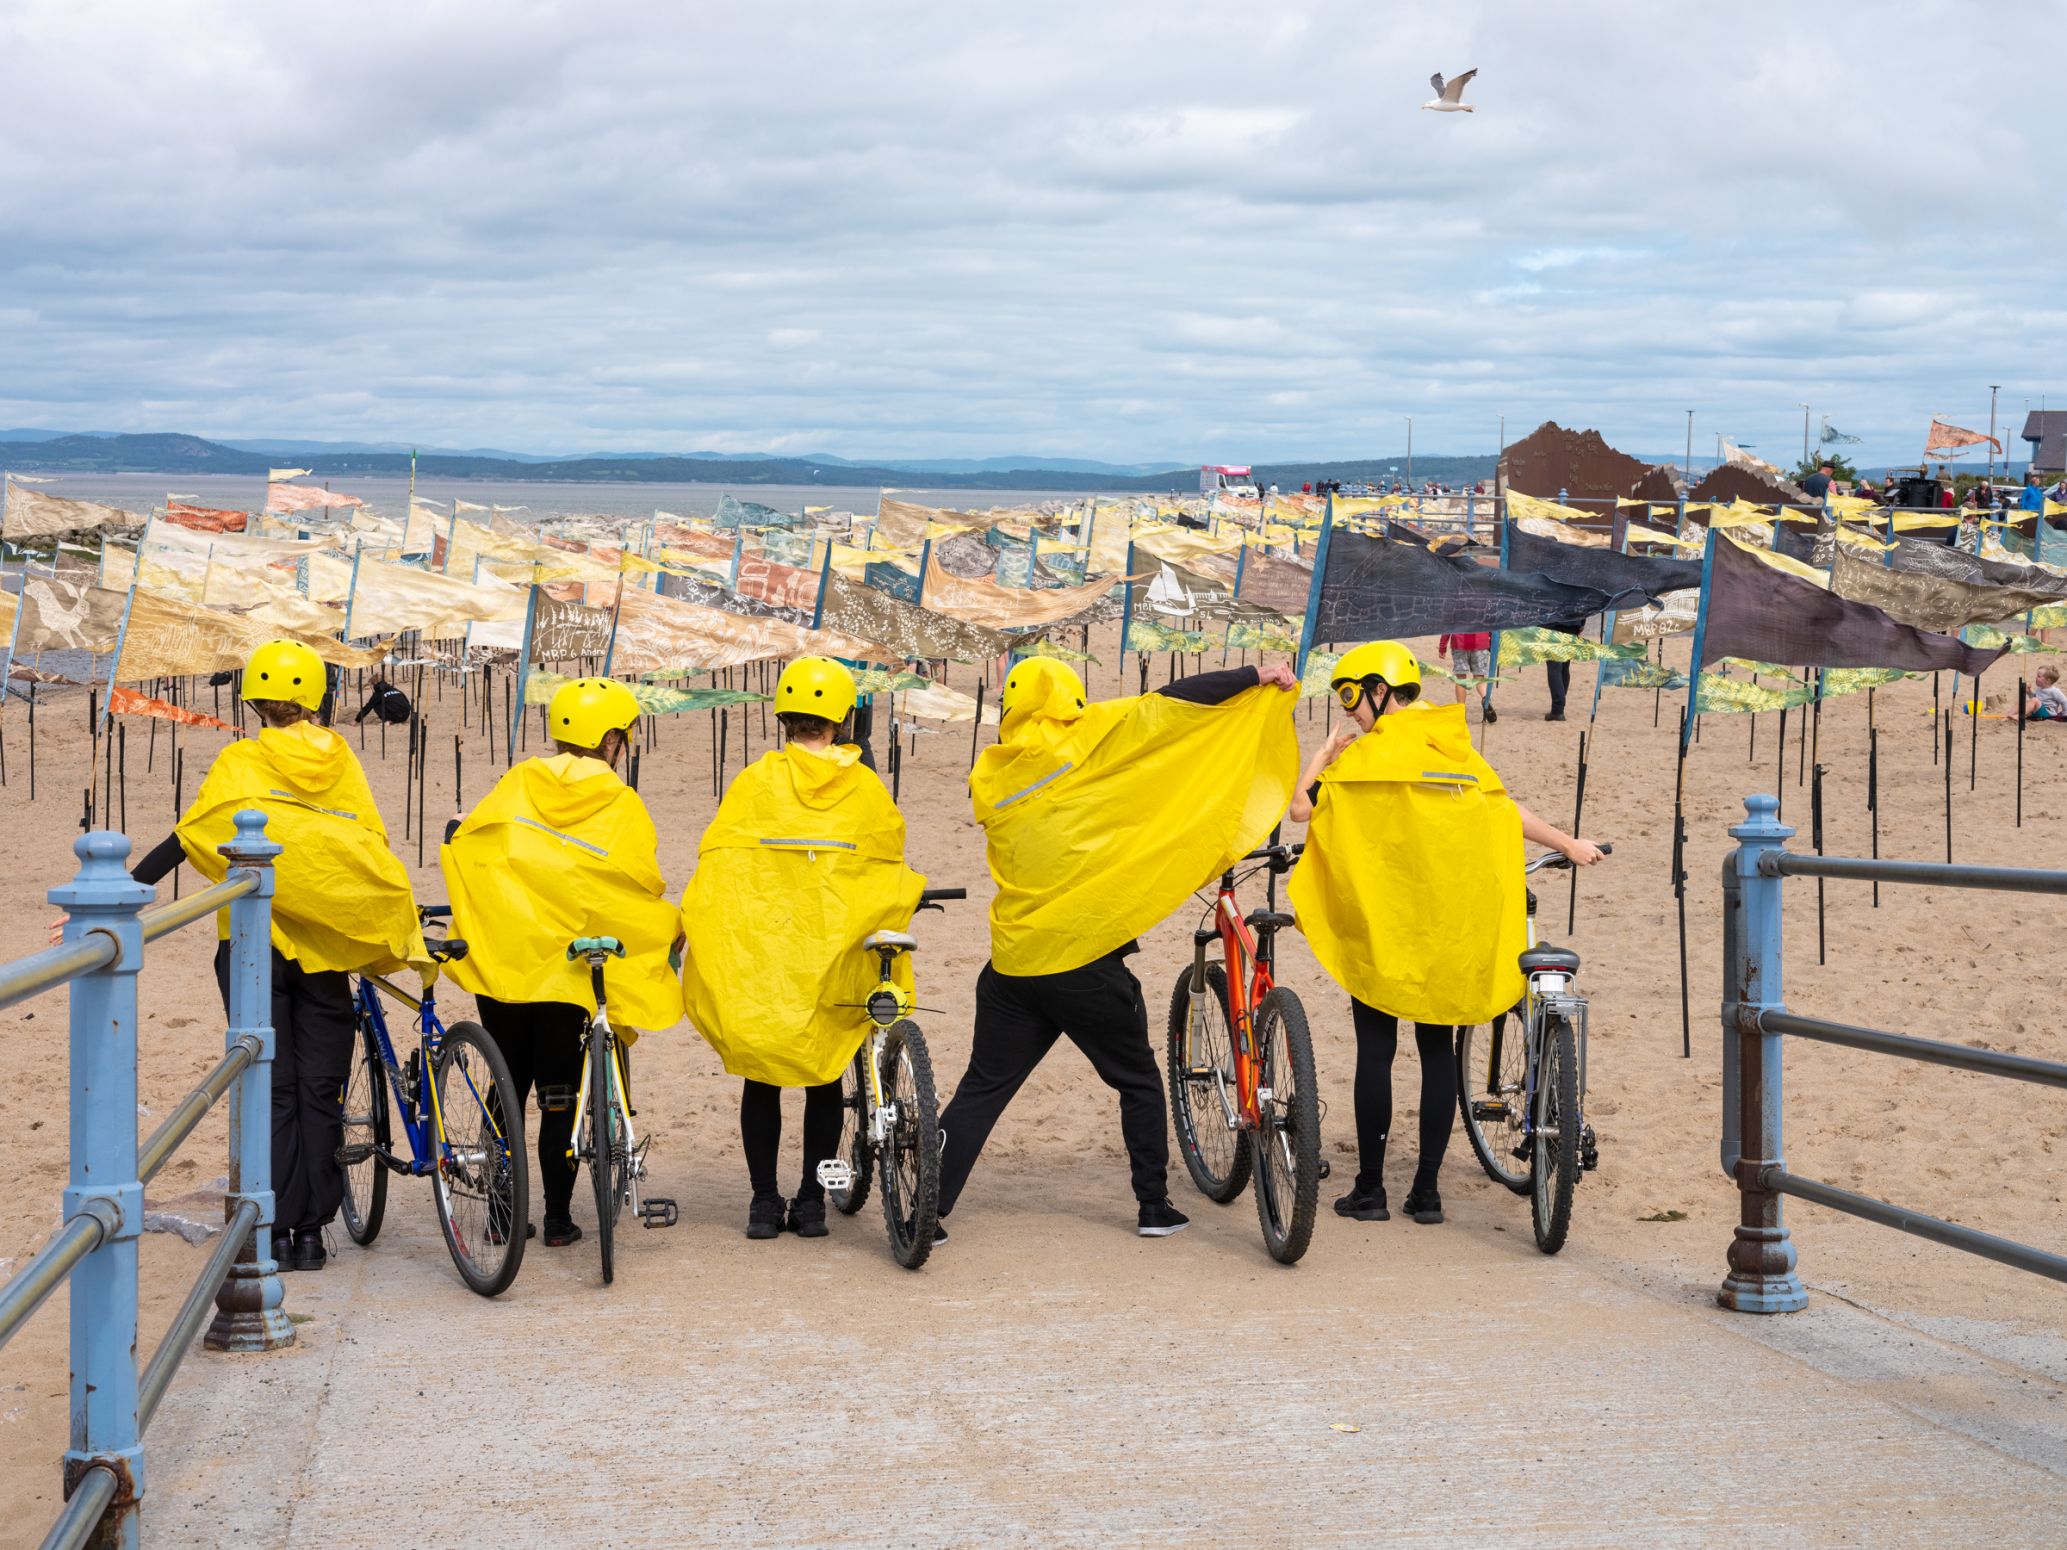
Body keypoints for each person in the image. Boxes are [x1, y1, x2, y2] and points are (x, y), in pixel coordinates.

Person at [937, 656, 1300, 1239]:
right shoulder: (1095, 737)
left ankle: (927, 1207)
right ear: (1071, 702)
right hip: (1084, 959)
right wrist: (1253, 677)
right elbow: (1173, 703)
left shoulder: (990, 775)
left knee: (982, 1087)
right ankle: (1153, 1207)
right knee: (1138, 1080)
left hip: (1015, 962)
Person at [123, 641, 426, 1271]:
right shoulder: (339, 758)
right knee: (320, 1087)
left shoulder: (241, 759)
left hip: (251, 947)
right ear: (316, 697)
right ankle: (312, 1231)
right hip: (324, 947)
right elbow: (363, 842)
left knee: (272, 1084)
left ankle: (279, 1227)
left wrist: (123, 895)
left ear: (255, 702)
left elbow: (192, 834)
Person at [1286, 642, 1601, 1226]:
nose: (1349, 711)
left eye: (1350, 696)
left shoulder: (1362, 757)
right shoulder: (1452, 748)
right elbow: (1504, 810)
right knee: (1436, 1053)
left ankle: (1371, 1191)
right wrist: (1566, 843)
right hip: (1441, 930)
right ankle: (1427, 1193)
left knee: (1375, 1052)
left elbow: (1300, 811)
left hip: (1384, 928)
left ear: (1380, 690)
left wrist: (1323, 755)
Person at [680, 657, 923, 1240]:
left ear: (784, 717)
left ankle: (764, 1203)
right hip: (832, 956)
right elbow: (887, 864)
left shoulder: (754, 782)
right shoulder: (865, 787)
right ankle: (813, 1203)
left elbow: (719, 865)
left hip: (766, 957)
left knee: (761, 1075)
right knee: (825, 1073)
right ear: (841, 719)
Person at [440, 678, 681, 1247]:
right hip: (569, 975)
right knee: (559, 1096)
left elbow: (473, 841)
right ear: (612, 740)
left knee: (506, 1087)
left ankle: (501, 1218)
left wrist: (456, 835)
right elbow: (638, 884)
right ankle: (556, 1220)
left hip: (504, 965)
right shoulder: (621, 802)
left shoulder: (519, 781)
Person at [1436, 631, 1494, 722]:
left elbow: (1448, 626)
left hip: (1459, 643)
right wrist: (1492, 643)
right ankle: (1485, 699)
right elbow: (1492, 625)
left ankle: (1461, 713)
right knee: (1480, 678)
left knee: (1461, 680)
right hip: (1481, 641)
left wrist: (1442, 646)